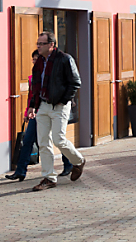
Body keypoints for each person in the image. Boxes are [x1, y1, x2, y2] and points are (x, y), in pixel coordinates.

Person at [29, 31, 87, 191]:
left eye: (41, 43)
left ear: (51, 45)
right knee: (43, 142)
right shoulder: (39, 62)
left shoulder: (65, 59)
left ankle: (78, 161)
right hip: (43, 105)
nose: (38, 46)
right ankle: (49, 177)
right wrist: (33, 105)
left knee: (58, 139)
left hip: (59, 105)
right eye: (38, 43)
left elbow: (75, 82)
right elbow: (35, 86)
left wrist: (63, 100)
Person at [6, 50, 71, 181]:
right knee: (28, 140)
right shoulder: (33, 77)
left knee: (58, 139)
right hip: (37, 112)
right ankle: (20, 171)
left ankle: (69, 164)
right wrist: (28, 112)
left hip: (54, 109)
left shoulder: (52, 75)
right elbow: (32, 96)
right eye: (34, 59)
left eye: (37, 59)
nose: (35, 61)